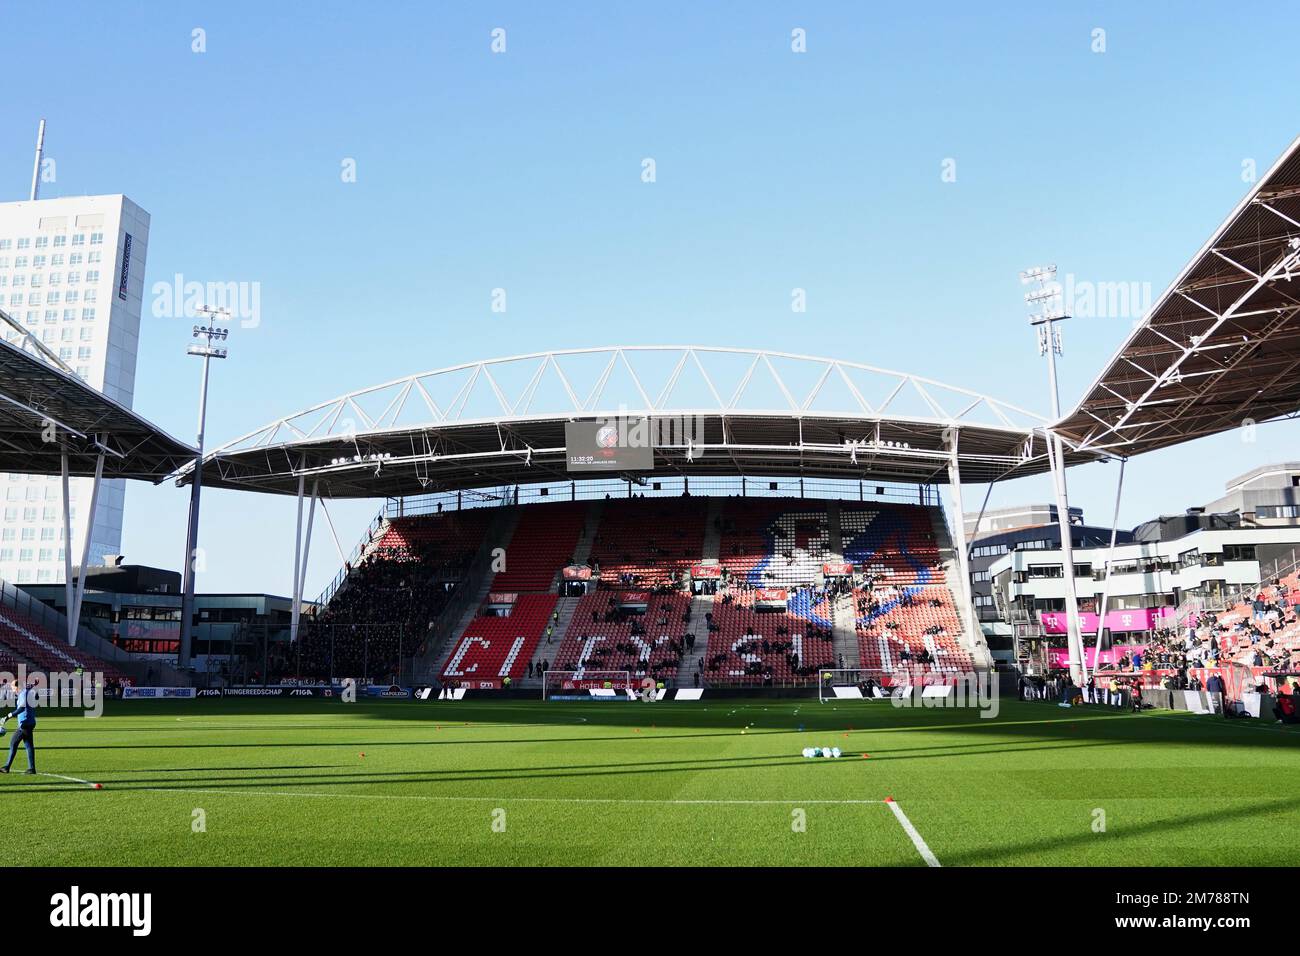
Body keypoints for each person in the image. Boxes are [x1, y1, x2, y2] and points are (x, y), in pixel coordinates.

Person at [1, 678, 36, 775]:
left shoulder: (23, 693)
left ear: (17, 687)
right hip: (29, 722)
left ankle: (7, 767)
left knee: (13, 743)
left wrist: (8, 716)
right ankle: (31, 769)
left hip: (25, 723)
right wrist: (34, 683)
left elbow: (21, 708)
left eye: (12, 687)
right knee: (28, 745)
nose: (12, 689)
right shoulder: (25, 691)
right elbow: (29, 686)